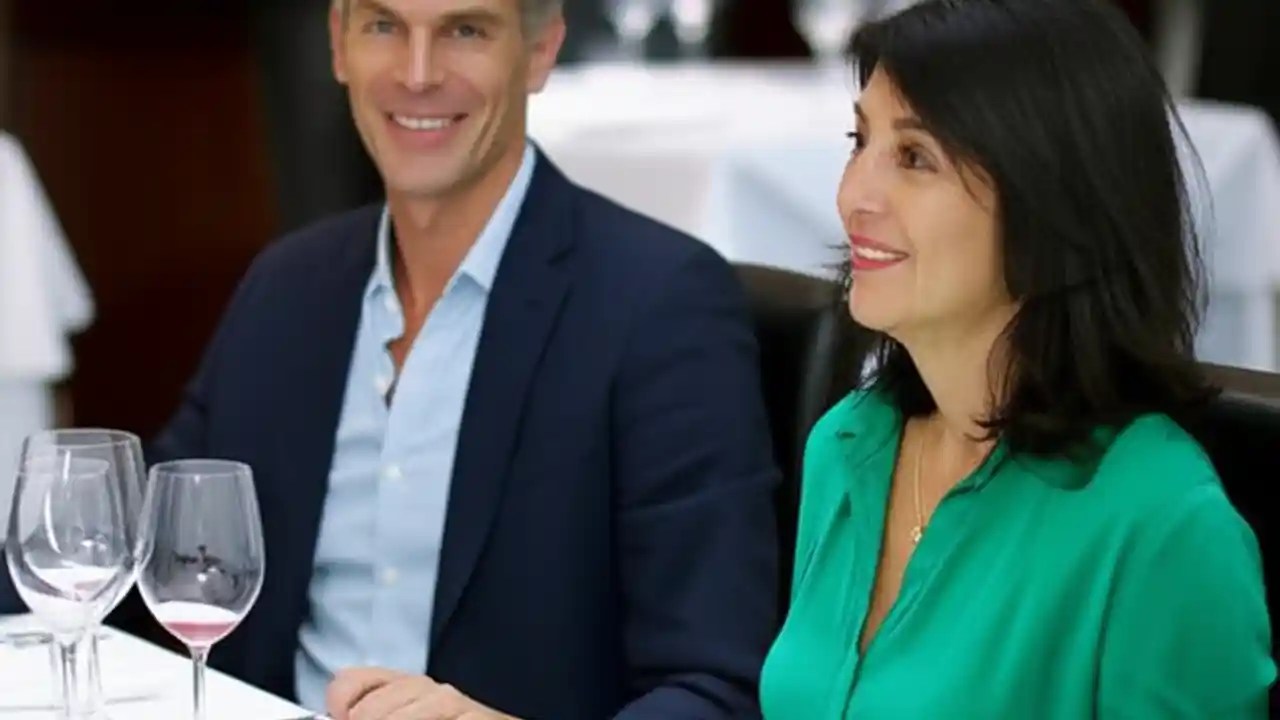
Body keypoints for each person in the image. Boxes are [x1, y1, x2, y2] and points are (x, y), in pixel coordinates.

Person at [2, 0, 782, 718]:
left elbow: (716, 690)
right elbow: (138, 555)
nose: (416, 73)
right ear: (338, 43)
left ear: (540, 49)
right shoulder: (288, 287)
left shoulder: (658, 303)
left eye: (464, 30)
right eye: (383, 26)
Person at [758, 1, 1276, 718]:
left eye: (914, 157)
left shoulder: (1163, 530)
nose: (853, 196)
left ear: (1054, 199)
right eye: (859, 140)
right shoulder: (849, 445)